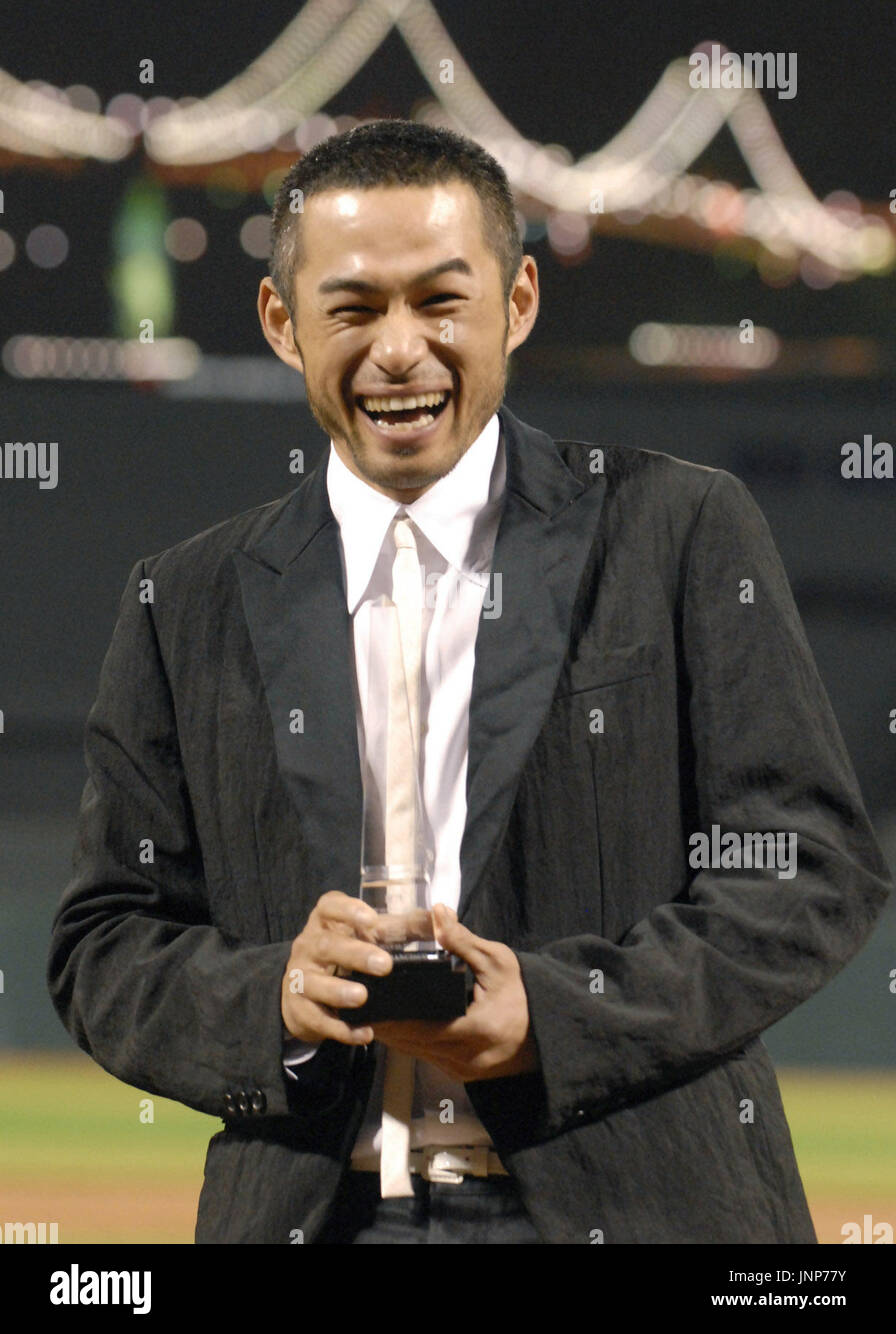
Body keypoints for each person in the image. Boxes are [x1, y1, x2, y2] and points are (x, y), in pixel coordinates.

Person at [47, 119, 891, 1245]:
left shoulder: (679, 530)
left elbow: (807, 867)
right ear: (281, 325)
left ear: (518, 302)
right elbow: (107, 939)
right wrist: (275, 1001)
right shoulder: (183, 601)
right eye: (351, 308)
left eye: (440, 300)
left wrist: (555, 1013)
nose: (400, 349)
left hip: (638, 1214)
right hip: (321, 1214)